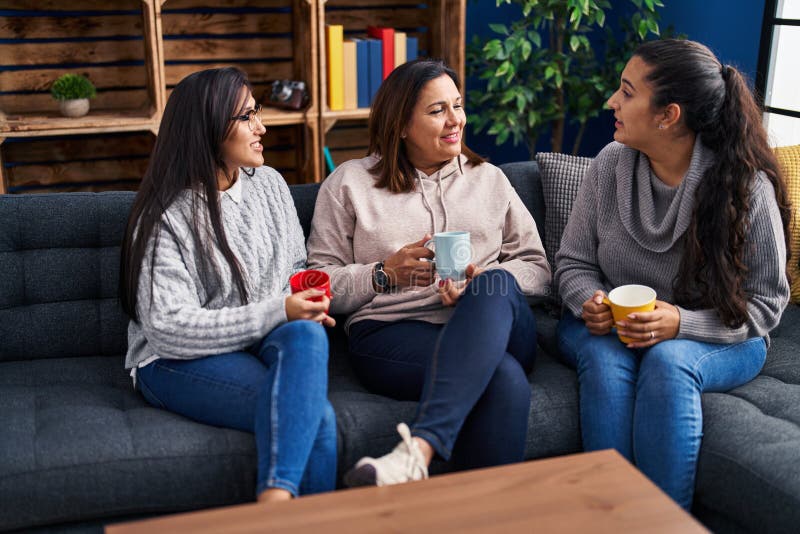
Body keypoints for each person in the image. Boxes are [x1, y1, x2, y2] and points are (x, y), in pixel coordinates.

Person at [555, 39, 791, 509]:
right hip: (615, 332)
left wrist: (682, 324)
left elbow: (766, 304)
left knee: (670, 360)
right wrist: (591, 301)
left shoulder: (744, 187)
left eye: (626, 92)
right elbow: (573, 262)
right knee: (604, 358)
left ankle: (662, 522)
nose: (611, 102)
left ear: (668, 115)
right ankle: (612, 516)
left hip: (721, 336)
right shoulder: (608, 166)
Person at [306, 58, 551, 486]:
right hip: (392, 334)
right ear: (400, 124)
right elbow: (319, 283)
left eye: (457, 106)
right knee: (503, 379)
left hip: (496, 323)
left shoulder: (490, 180)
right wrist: (382, 274)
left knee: (494, 280)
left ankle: (417, 450)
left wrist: (482, 285)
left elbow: (538, 268)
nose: (455, 120)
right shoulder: (349, 184)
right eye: (437, 110)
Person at [119, 67, 337, 502]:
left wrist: (306, 300)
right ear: (209, 129)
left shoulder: (271, 185)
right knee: (318, 420)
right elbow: (167, 327)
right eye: (247, 117)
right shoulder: (166, 214)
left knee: (307, 336)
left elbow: (294, 266)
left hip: (255, 340)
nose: (263, 126)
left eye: (257, 113)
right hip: (172, 359)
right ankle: (276, 509)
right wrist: (279, 310)